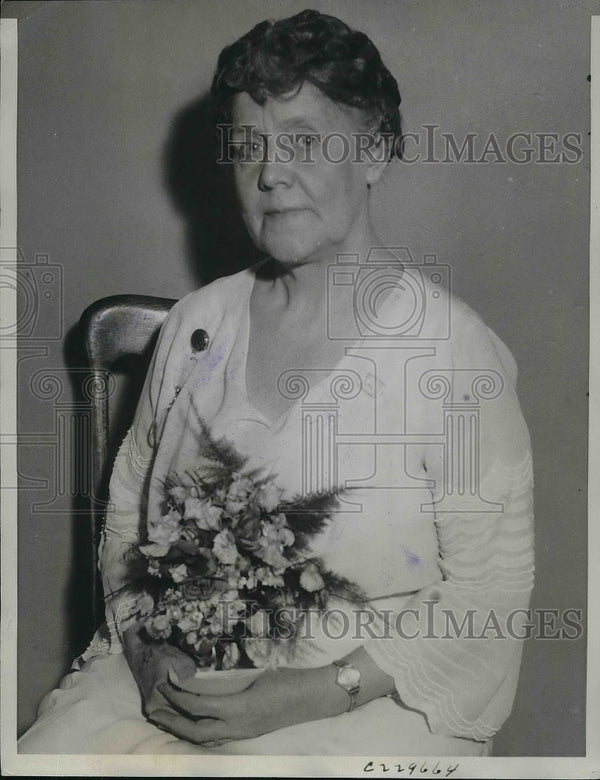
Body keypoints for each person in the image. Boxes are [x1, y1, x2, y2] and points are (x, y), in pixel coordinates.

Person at [18, 9, 534, 756]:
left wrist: (322, 690)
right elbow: (130, 509)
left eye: (303, 140)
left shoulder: (452, 354)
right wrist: (144, 647)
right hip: (181, 682)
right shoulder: (201, 323)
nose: (270, 173)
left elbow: (490, 593)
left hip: (368, 702)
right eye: (249, 146)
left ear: (377, 151)